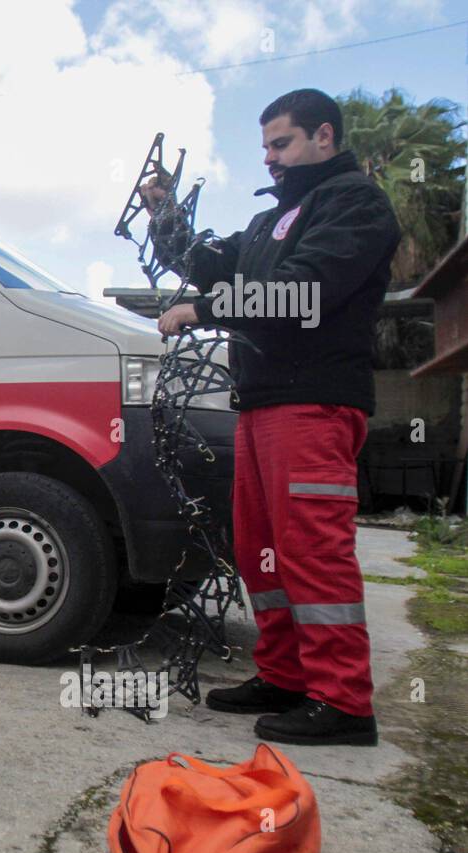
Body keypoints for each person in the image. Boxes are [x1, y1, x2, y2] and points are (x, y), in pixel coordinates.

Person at [151, 89, 400, 746]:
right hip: (260, 406)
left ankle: (344, 703)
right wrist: (164, 217)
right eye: (263, 147)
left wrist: (204, 311)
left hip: (313, 404)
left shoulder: (353, 205)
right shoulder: (269, 224)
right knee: (262, 553)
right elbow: (204, 262)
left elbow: (305, 291)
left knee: (313, 552)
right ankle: (287, 676)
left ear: (325, 136)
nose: (268, 158)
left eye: (280, 143)